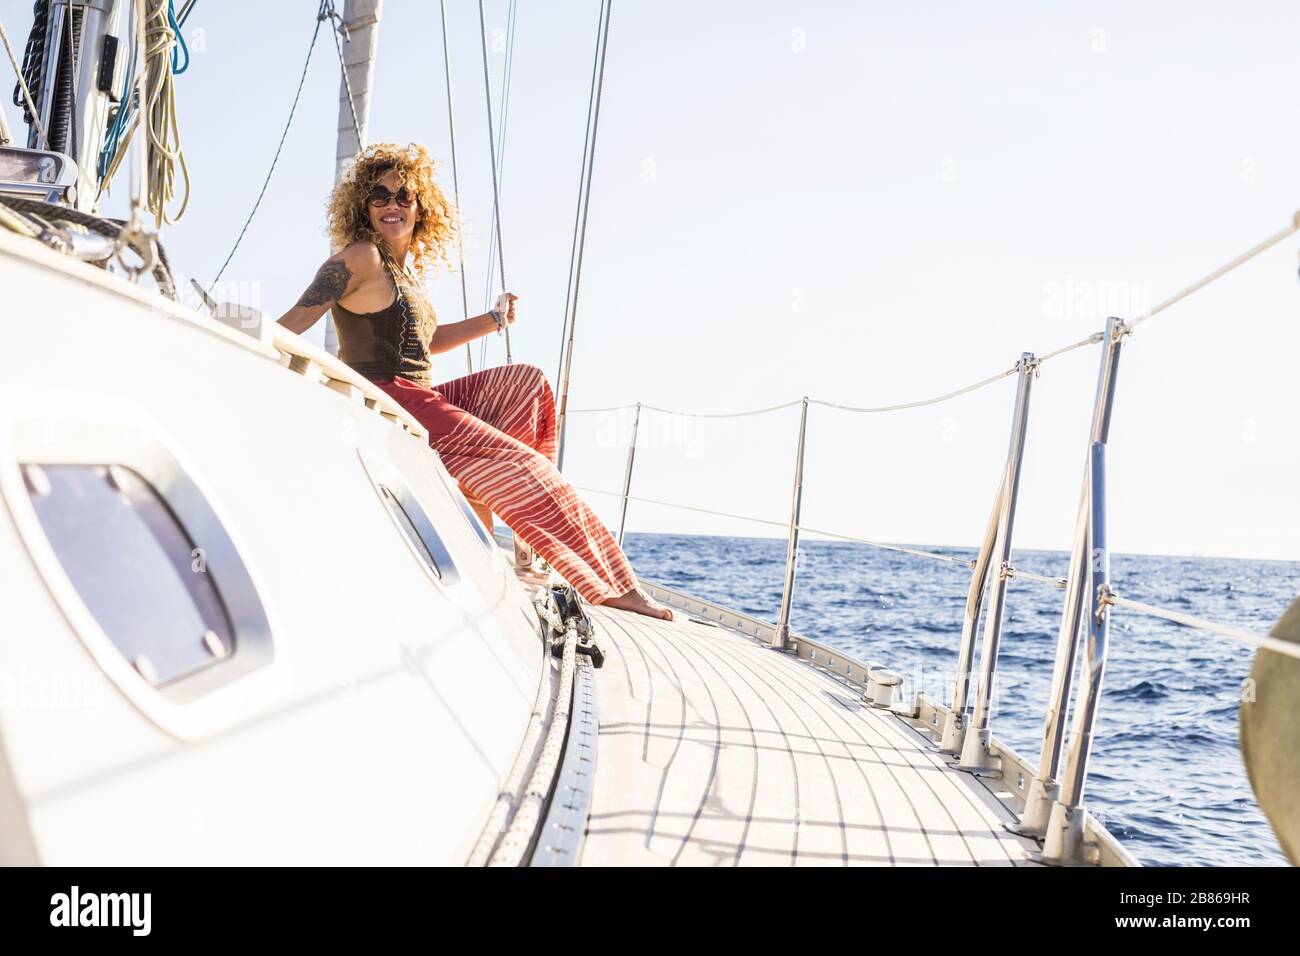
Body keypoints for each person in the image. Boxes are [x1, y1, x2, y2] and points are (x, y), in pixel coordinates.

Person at [277, 142, 672, 620]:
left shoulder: (402, 271)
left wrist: (492, 319)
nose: (392, 205)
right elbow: (299, 317)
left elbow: (427, 342)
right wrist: (246, 340)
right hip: (387, 396)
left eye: (404, 196)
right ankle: (610, 582)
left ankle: (505, 523)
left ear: (421, 207)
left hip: (419, 395)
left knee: (528, 385)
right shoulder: (362, 258)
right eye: (379, 196)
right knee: (523, 463)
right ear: (364, 206)